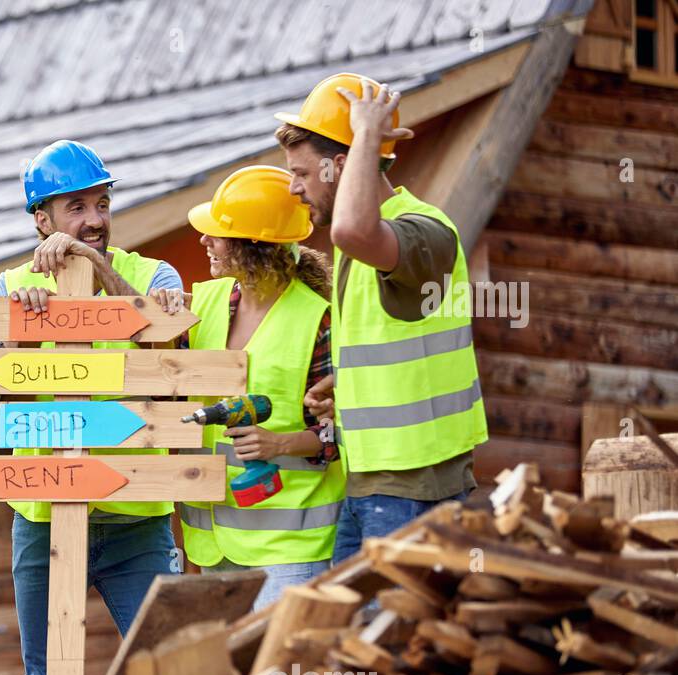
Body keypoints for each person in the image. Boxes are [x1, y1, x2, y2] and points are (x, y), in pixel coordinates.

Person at [0, 139, 185, 675]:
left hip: (139, 513)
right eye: (76, 208)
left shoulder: (153, 274)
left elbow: (167, 345)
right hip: (43, 516)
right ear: (42, 220)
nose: (95, 221)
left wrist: (98, 270)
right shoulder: (12, 287)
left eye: (101, 205)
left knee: (168, 671)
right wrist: (11, 327)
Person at [275, 74, 487, 563]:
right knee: (352, 634)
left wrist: (367, 137)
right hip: (374, 484)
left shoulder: (423, 233)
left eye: (303, 173)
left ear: (341, 166)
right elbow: (398, 350)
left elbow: (351, 229)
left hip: (413, 490)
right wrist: (345, 390)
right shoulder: (373, 241)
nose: (293, 188)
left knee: (391, 636)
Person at [156, 166, 345, 609]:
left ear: (251, 247)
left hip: (290, 548)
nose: (203, 241)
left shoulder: (319, 319)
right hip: (211, 545)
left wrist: (280, 442)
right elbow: (138, 341)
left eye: (216, 234)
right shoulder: (204, 303)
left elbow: (346, 431)